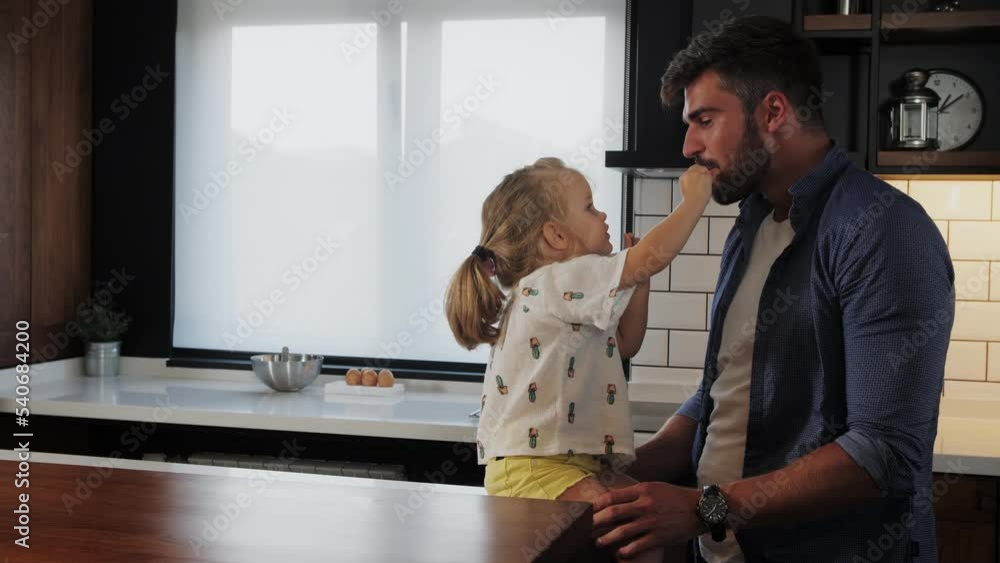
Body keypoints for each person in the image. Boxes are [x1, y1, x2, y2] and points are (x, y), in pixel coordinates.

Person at [590, 15, 955, 563]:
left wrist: (699, 510)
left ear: (774, 112)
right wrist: (630, 471)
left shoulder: (881, 230)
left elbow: (881, 453)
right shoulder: (752, 223)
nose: (688, 145)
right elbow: (723, 390)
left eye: (705, 120)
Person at [445, 157, 711, 563]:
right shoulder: (556, 280)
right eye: (589, 207)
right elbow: (651, 256)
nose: (602, 214)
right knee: (640, 529)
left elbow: (625, 343)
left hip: (565, 464)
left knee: (650, 527)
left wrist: (640, 281)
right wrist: (694, 201)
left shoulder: (562, 295)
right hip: (538, 469)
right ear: (555, 236)